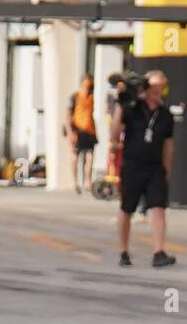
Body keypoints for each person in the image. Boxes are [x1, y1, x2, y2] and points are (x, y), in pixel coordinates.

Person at [110, 70, 176, 267]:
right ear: (145, 88)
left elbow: (168, 145)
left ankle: (159, 251)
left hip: (155, 167)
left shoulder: (165, 115)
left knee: (158, 209)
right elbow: (115, 134)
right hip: (132, 165)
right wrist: (121, 106)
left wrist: (167, 169)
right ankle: (123, 251)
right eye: (153, 87)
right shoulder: (133, 108)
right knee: (126, 208)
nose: (157, 91)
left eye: (161, 87)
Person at [67, 75, 97, 194]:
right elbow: (68, 115)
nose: (88, 88)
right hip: (78, 130)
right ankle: (75, 182)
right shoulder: (75, 97)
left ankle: (87, 182)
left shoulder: (91, 97)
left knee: (90, 156)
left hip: (90, 130)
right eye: (87, 85)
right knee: (75, 156)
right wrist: (70, 132)